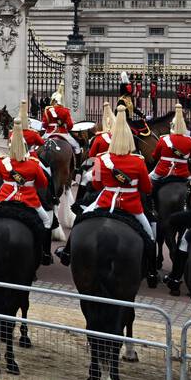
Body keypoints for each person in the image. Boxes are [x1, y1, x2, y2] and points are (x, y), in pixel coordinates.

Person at [66, 108, 153, 264]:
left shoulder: (101, 160)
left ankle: (67, 252)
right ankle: (152, 270)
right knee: (150, 235)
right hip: (132, 205)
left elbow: (97, 183)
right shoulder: (138, 161)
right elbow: (147, 188)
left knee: (81, 219)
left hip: (104, 200)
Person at [0, 102, 54, 264]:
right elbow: (42, 183)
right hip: (29, 199)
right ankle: (44, 253)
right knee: (47, 220)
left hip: (4, 196)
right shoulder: (34, 163)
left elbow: (0, 175)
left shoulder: (3, 162)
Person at [148, 103, 191, 189]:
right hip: (183, 173)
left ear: (171, 126)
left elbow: (155, 156)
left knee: (147, 180)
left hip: (162, 171)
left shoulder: (163, 139)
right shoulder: (189, 141)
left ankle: (150, 202)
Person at [41, 82, 82, 156]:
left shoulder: (47, 110)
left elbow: (44, 124)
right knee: (76, 147)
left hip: (49, 133)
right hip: (63, 133)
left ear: (54, 100)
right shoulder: (65, 110)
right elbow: (70, 125)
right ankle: (77, 166)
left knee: (37, 146)